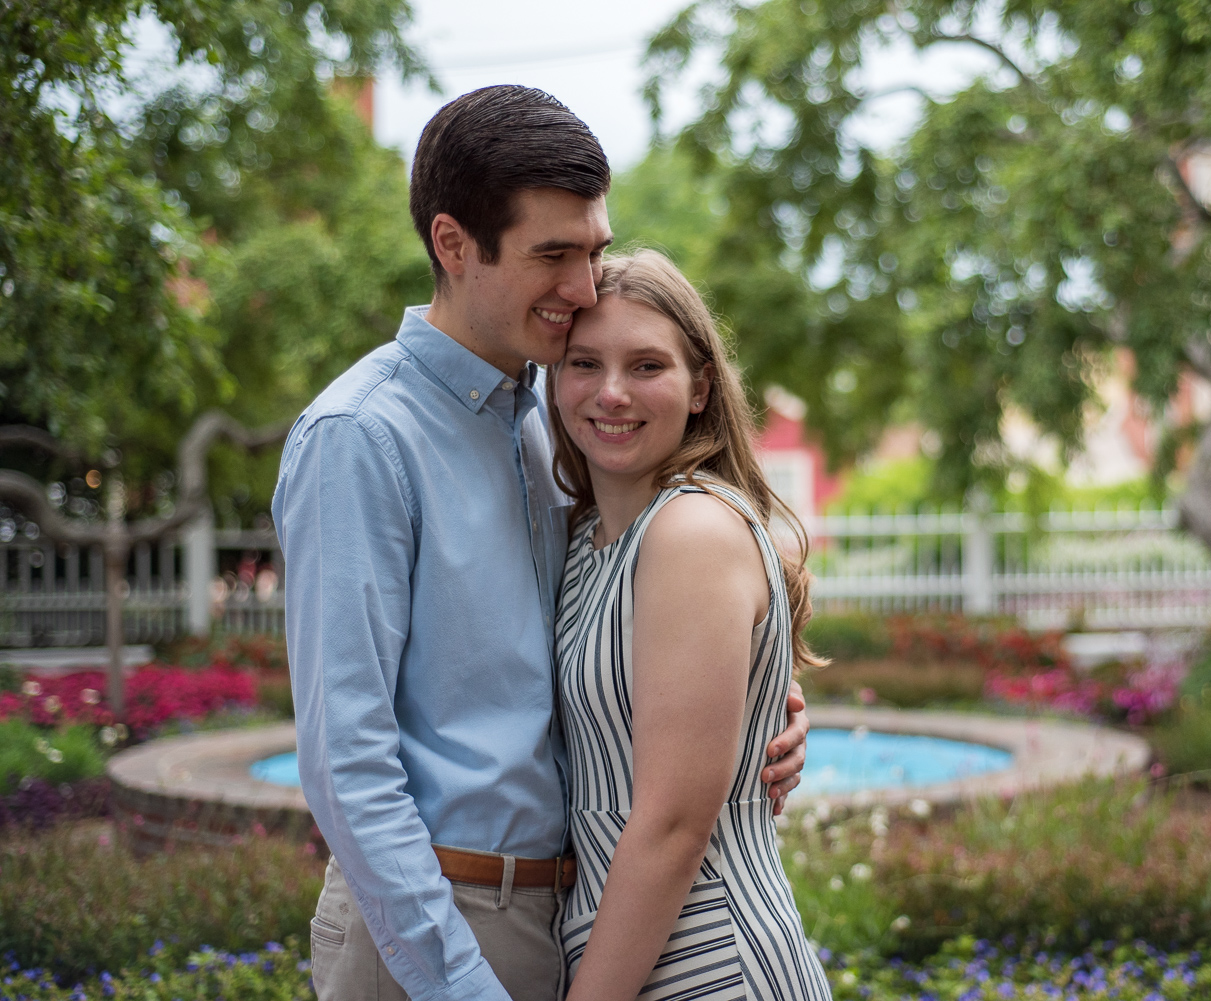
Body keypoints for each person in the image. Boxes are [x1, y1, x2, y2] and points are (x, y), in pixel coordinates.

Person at [271, 86, 810, 1001]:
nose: (584, 288)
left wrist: (758, 707)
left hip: (571, 922)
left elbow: (626, 647)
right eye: (553, 255)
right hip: (438, 924)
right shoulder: (361, 436)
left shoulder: (548, 422)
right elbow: (346, 762)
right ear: (453, 245)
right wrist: (459, 983)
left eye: (593, 251)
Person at [548, 250, 833, 1000]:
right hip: (627, 955)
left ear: (701, 386)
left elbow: (674, 827)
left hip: (708, 965)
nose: (611, 392)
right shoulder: (588, 540)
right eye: (585, 363)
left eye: (647, 366)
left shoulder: (691, 532)